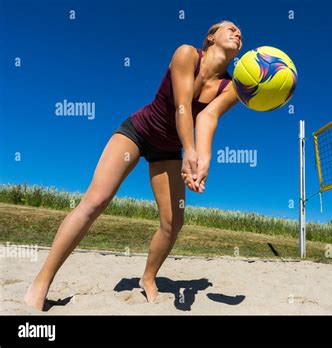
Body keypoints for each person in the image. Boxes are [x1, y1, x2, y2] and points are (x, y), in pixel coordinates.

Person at [24, 20, 243, 310]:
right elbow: (182, 107)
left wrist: (202, 161)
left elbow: (207, 119)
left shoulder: (232, 88)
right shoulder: (187, 54)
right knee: (95, 200)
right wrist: (189, 149)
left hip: (168, 151)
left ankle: (148, 278)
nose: (238, 32)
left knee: (173, 223)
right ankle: (42, 281)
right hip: (138, 132)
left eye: (240, 32)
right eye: (231, 28)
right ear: (210, 37)